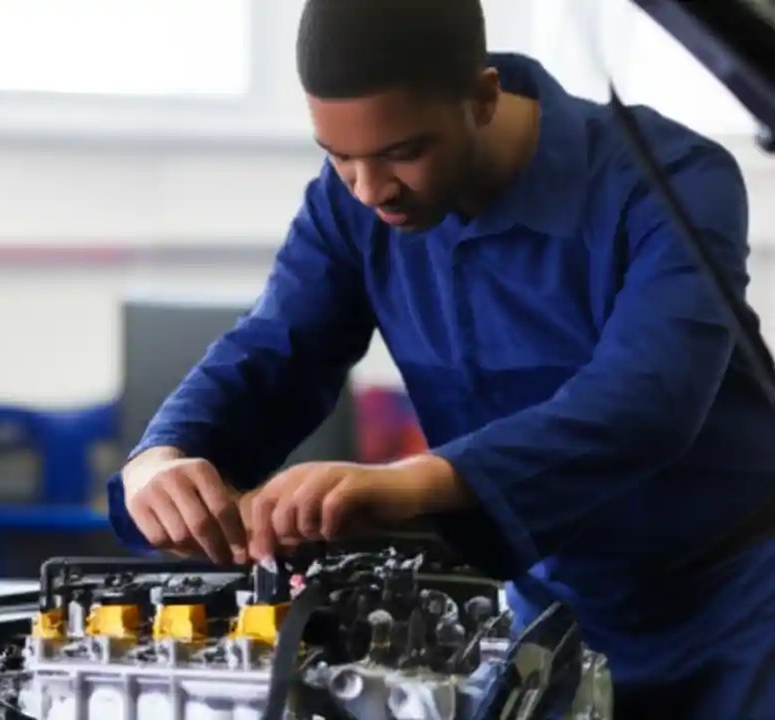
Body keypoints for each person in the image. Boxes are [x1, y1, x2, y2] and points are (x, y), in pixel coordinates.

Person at [108, 0, 775, 716]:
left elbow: (648, 400)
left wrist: (411, 482)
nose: (369, 190)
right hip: (551, 617)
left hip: (738, 607)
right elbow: (274, 349)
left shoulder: (671, 179)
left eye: (402, 152)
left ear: (484, 97)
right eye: (338, 156)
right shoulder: (348, 208)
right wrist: (164, 455)